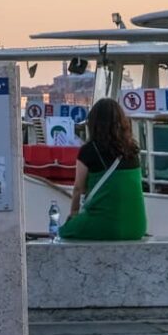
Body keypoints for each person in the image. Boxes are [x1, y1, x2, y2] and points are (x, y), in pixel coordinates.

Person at [57, 97, 147, 242]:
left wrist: (74, 213)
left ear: (93, 123)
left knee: (65, 231)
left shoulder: (88, 151)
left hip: (105, 225)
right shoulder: (132, 150)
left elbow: (79, 188)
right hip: (137, 228)